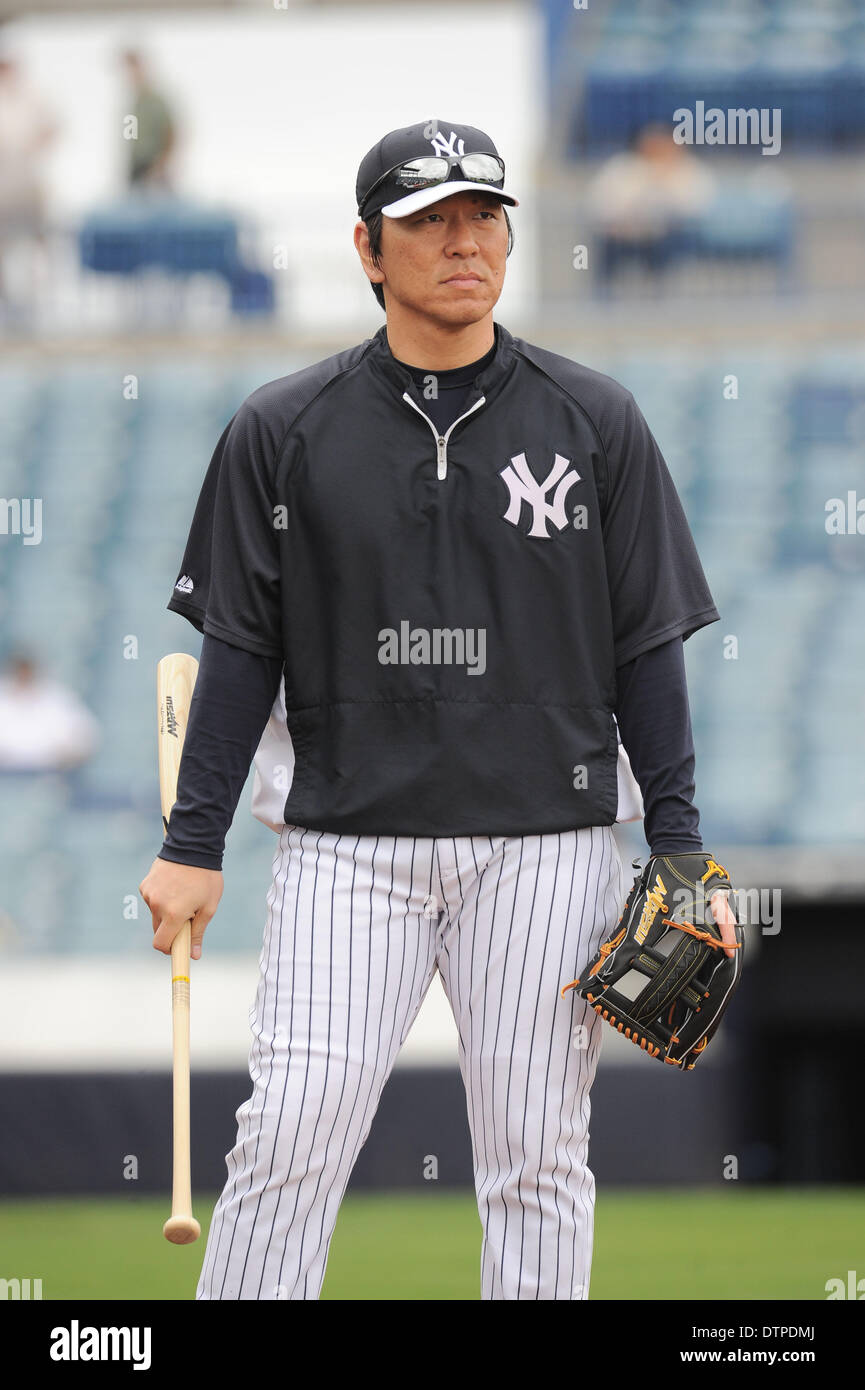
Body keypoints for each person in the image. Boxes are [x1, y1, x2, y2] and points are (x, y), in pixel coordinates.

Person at [139, 118, 738, 1301]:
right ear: (368, 248)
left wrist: (676, 844)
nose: (464, 240)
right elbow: (238, 646)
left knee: (537, 1161)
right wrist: (188, 844)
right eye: (429, 220)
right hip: (345, 847)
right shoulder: (282, 427)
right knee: (288, 1140)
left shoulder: (595, 418)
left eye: (483, 216)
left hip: (547, 850)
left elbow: (648, 643)